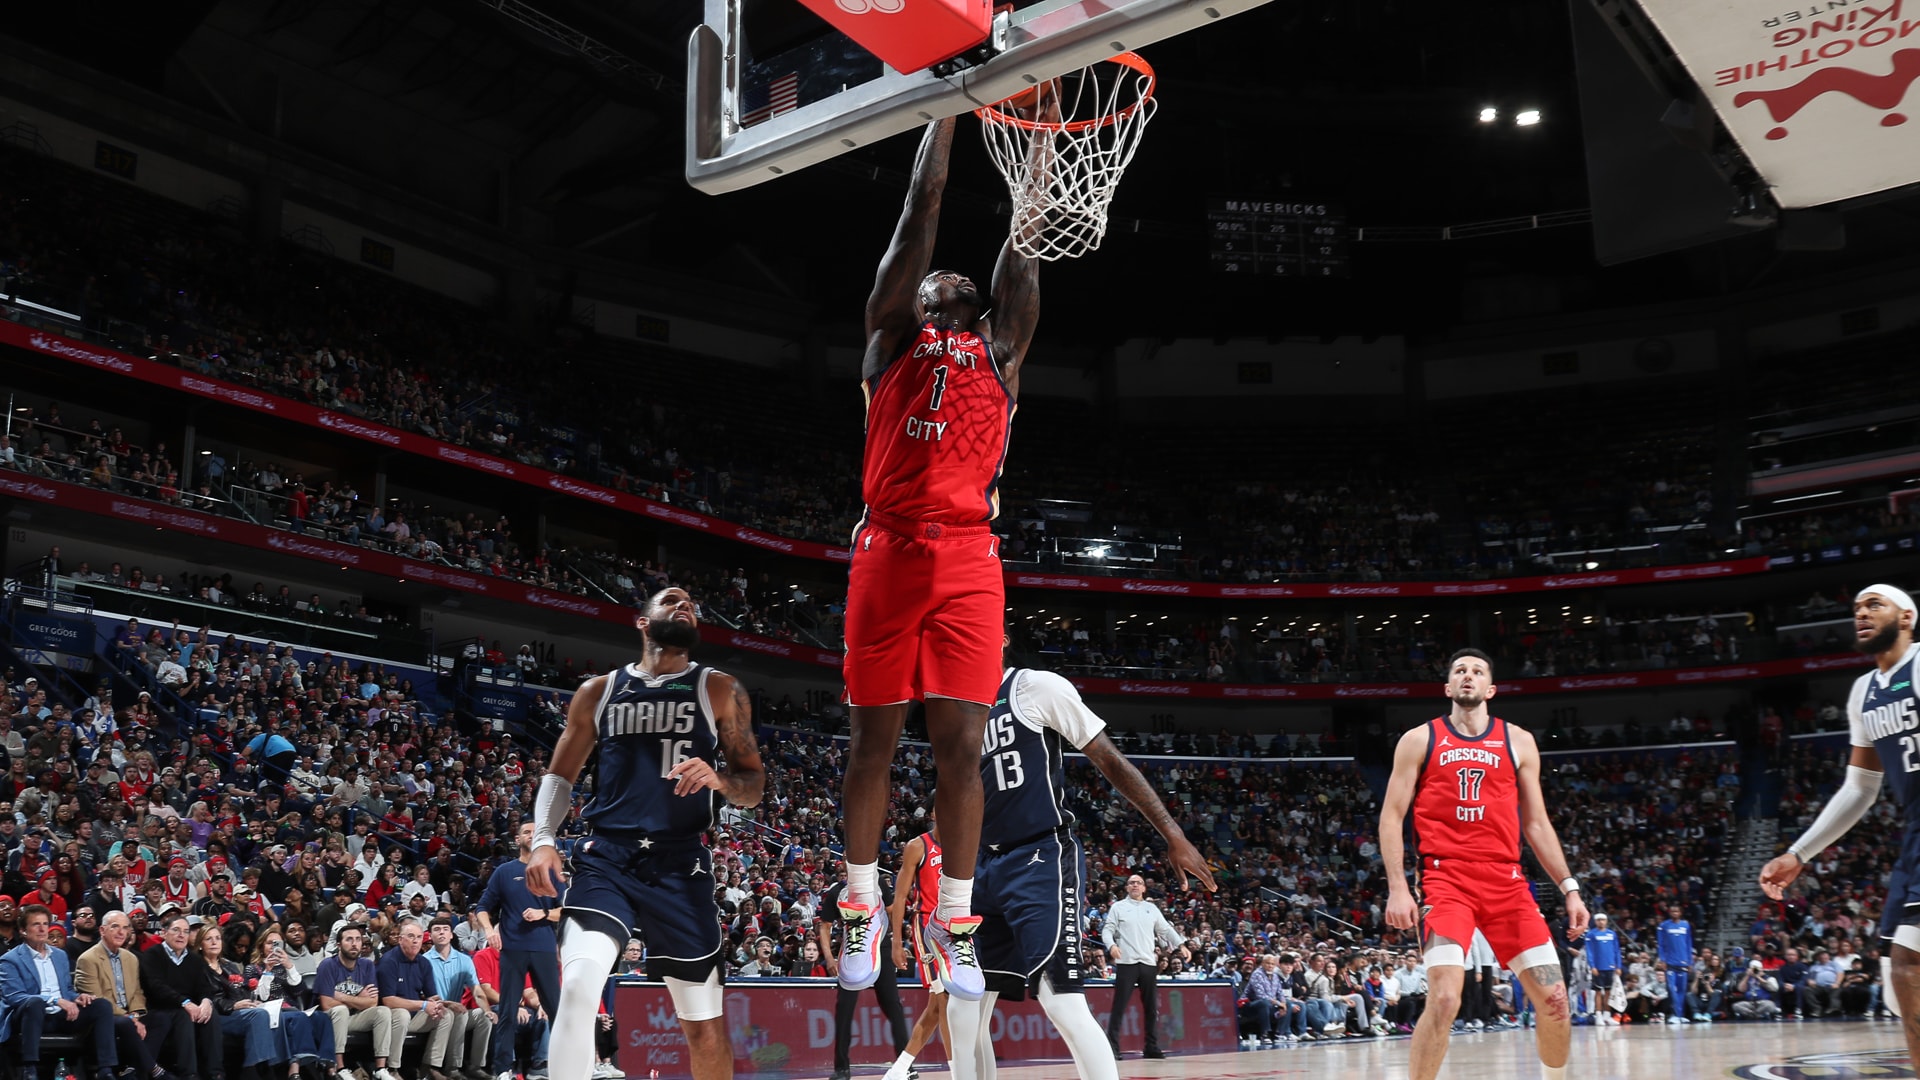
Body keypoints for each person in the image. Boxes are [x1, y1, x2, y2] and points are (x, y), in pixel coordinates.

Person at [837, 89, 1056, 1003]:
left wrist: (1041, 138)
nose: (949, 277)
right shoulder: (891, 340)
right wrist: (947, 105)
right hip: (889, 546)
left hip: (970, 554)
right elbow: (920, 208)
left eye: (962, 280)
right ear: (917, 294)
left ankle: (954, 921)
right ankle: (860, 904)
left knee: (962, 746)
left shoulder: (1002, 354)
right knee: (874, 742)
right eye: (935, 278)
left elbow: (1026, 238)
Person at [525, 587, 765, 1080]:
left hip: (680, 864)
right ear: (643, 621)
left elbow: (753, 785)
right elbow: (560, 776)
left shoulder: (719, 689)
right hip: (607, 857)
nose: (685, 606)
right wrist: (544, 838)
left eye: (692, 604)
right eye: (672, 599)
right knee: (578, 988)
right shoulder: (599, 691)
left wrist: (721, 780)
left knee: (703, 1028)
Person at [947, 666, 1214, 1080]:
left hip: (1039, 856)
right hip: (982, 862)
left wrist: (1172, 832)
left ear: (1000, 639)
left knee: (1060, 1000)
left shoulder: (1033, 686)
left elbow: (1108, 757)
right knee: (963, 1002)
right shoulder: (956, 706)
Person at [1379, 648, 1590, 1080]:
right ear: (1448, 687)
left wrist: (1570, 888)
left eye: (1477, 671)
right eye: (1460, 670)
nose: (1468, 676)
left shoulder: (1519, 741)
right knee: (1444, 999)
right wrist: (1398, 887)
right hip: (1445, 880)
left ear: (1491, 688)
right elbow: (1391, 816)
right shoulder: (1419, 739)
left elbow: (1536, 823)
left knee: (1555, 1000)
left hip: (1506, 882)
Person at [1761, 584, 1920, 1035]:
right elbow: (1860, 788)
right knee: (1897, 990)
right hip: (1913, 837)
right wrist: (1799, 853)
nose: (1862, 613)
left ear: (1906, 617)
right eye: (1857, 608)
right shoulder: (1863, 691)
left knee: (1909, 967)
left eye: (1875, 605)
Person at [471, 823, 561, 1080]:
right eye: (526, 832)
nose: (531, 836)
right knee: (508, 1011)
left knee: (555, 1010)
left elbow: (566, 910)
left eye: (535, 832)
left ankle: (562, 1066)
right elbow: (482, 907)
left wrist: (543, 913)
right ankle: (503, 1070)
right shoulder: (504, 872)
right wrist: (489, 930)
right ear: (517, 838)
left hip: (544, 949)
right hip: (513, 949)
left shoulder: (552, 871)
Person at [0, 903, 121, 1080]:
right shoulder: (10, 960)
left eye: (45, 924)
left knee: (101, 1005)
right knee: (35, 1003)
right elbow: (15, 997)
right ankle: (30, 1069)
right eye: (36, 924)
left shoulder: (59, 955)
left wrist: (78, 997)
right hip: (31, 1017)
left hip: (62, 1015)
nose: (42, 929)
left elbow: (67, 991)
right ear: (23, 931)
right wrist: (54, 1000)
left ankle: (105, 1069)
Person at [818, 877, 908, 1080]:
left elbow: (892, 911)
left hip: (881, 947)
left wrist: (897, 944)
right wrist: (829, 958)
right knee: (844, 1008)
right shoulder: (837, 891)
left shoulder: (879, 883)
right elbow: (825, 926)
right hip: (853, 950)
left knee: (893, 1005)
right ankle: (842, 1068)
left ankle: (905, 1066)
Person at [882, 811, 947, 1080]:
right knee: (946, 1001)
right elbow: (899, 897)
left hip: (956, 928)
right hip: (928, 927)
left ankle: (897, 1071)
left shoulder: (963, 843)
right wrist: (897, 942)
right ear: (933, 812)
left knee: (938, 1007)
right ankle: (960, 1071)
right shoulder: (918, 846)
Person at [1103, 875, 1190, 1059]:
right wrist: (1111, 946)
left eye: (1139, 883)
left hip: (1148, 963)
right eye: (1131, 883)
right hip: (1127, 962)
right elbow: (1107, 929)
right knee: (1119, 1006)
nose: (1135, 885)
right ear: (1127, 888)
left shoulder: (1152, 908)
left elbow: (1166, 930)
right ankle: (1112, 1047)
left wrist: (1181, 945)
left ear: (1144, 888)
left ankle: (1151, 1046)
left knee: (1151, 1008)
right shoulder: (1118, 907)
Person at [74, 910, 163, 1080]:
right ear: (102, 930)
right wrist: (129, 1017)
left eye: (125, 928)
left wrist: (135, 1014)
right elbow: (98, 1000)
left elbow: (137, 992)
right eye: (115, 927)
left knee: (161, 1019)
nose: (121, 932)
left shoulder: (131, 958)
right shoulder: (88, 959)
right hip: (105, 1018)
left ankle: (133, 1070)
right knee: (124, 1023)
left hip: (129, 1015)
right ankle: (154, 1070)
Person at [139, 911, 224, 1080]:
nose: (181, 935)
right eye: (176, 930)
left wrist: (206, 1002)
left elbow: (204, 987)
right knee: (184, 1015)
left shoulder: (194, 959)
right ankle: (189, 1074)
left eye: (186, 931)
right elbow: (156, 987)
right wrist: (184, 1002)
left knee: (210, 1014)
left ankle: (216, 1073)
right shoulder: (152, 954)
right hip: (161, 1007)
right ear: (164, 932)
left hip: (187, 1005)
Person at [315, 923, 403, 1080]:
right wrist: (359, 998)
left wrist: (341, 996)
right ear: (338, 944)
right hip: (330, 1020)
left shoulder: (367, 965)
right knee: (340, 1011)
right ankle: (340, 1067)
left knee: (382, 1011)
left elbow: (372, 1002)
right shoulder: (327, 965)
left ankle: (380, 1069)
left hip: (354, 1018)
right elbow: (327, 1004)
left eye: (357, 939)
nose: (354, 943)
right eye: (349, 939)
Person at [377, 920, 455, 1080]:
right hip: (391, 1018)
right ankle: (392, 1068)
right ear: (400, 939)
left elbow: (431, 995)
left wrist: (437, 1004)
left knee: (445, 1015)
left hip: (414, 1016)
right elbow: (388, 1001)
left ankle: (430, 1068)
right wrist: (423, 1004)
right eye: (411, 936)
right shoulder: (389, 961)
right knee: (402, 1014)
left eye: (419, 937)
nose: (415, 941)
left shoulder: (423, 962)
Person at [423, 916, 494, 1080]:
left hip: (456, 1010)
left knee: (483, 1016)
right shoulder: (424, 961)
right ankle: (453, 1068)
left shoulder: (464, 960)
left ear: (451, 935)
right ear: (431, 935)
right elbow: (423, 995)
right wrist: (447, 1004)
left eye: (445, 929)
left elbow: (477, 990)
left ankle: (476, 1066)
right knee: (459, 1013)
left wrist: (487, 1010)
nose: (441, 933)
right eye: (437, 930)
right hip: (432, 1012)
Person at [1656, 904, 1695, 1023]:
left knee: (1682, 990)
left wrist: (1690, 961)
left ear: (1680, 912)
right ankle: (1675, 1014)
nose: (1674, 913)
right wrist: (1663, 960)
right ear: (1669, 913)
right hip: (1670, 962)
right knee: (1672, 989)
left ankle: (1680, 1015)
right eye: (1672, 911)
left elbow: (1688, 944)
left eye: (1676, 911)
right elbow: (1661, 944)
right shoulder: (1664, 926)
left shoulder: (1686, 925)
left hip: (1683, 962)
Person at [1584, 914, 1622, 1024]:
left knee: (1608, 991)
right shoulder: (1591, 934)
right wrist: (1592, 966)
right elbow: (1589, 952)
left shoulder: (1612, 934)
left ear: (1606, 921)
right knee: (1598, 992)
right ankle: (1598, 1015)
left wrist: (1618, 965)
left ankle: (1607, 1015)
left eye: (1603, 920)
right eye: (1599, 920)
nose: (1601, 922)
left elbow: (1616, 950)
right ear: (1595, 921)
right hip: (1598, 967)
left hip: (1610, 966)